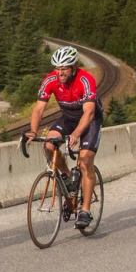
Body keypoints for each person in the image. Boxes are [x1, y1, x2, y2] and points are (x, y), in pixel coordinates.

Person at [28, 45, 100, 228]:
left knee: (85, 161)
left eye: (64, 68)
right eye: (57, 68)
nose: (60, 72)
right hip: (68, 118)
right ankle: (67, 176)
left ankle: (85, 210)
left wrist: (76, 133)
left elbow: (90, 112)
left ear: (73, 67)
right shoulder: (50, 80)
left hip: (89, 120)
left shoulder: (86, 80)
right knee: (49, 145)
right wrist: (33, 131)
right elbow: (38, 108)